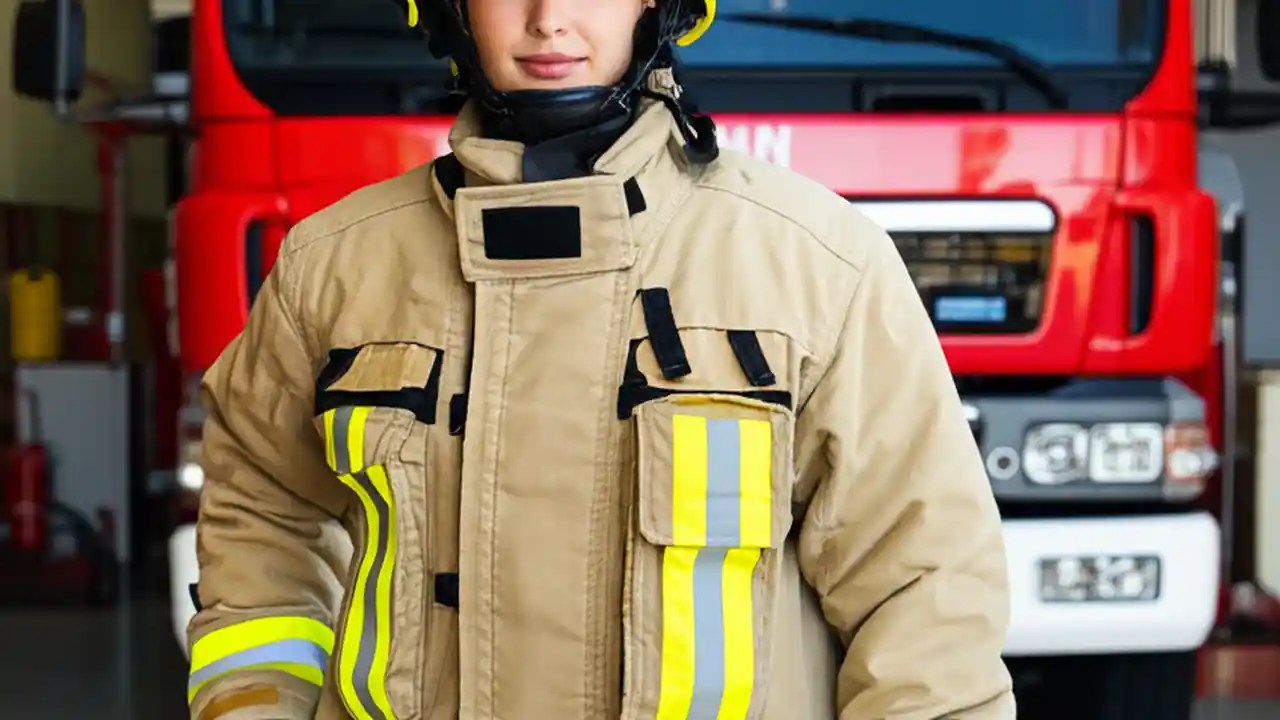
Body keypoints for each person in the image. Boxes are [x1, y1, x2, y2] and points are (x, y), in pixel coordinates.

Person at [185, 0, 1016, 718]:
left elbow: (922, 588)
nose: (549, 18)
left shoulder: (814, 265)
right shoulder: (335, 269)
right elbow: (265, 521)